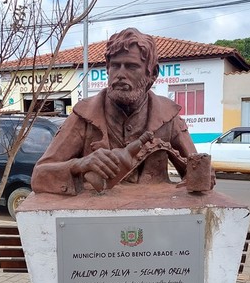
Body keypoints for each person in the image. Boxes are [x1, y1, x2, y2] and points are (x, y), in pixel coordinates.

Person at [31, 28, 200, 195]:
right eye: (115, 66)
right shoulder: (83, 116)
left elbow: (199, 173)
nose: (120, 74)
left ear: (152, 73)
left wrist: (202, 177)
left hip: (154, 217)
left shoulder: (168, 116)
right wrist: (80, 164)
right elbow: (40, 175)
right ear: (107, 68)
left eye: (131, 67)